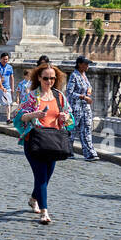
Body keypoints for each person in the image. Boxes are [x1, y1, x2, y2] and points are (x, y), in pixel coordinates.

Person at [18, 64, 74, 225]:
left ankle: (33, 198)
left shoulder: (59, 96)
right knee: (41, 175)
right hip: (34, 141)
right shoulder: (32, 96)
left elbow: (70, 119)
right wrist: (33, 114)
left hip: (54, 141)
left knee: (47, 176)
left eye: (52, 78)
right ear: (39, 78)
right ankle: (44, 212)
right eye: (45, 78)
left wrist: (65, 118)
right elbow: (20, 117)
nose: (49, 81)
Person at [66, 56, 99, 161]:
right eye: (86, 64)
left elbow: (87, 88)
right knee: (72, 130)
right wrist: (83, 96)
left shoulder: (84, 75)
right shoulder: (74, 75)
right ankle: (67, 151)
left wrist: (88, 92)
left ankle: (89, 153)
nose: (87, 66)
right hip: (75, 107)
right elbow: (69, 92)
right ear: (79, 64)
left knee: (86, 130)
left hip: (85, 107)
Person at [0, 53, 15, 123]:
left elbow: (12, 78)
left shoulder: (10, 67)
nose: (5, 61)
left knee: (8, 103)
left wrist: (12, 88)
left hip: (7, 87)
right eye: (4, 59)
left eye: (7, 59)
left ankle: (8, 118)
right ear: (1, 59)